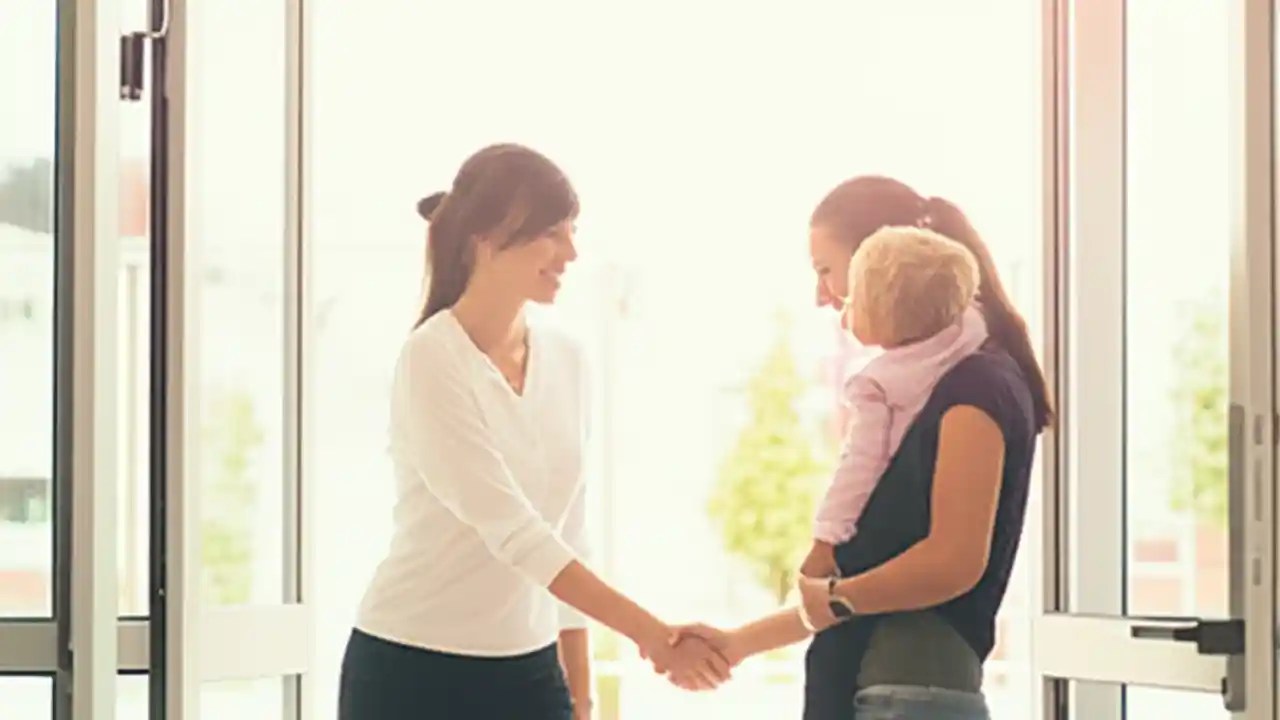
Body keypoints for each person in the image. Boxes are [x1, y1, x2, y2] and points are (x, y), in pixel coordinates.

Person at [337, 143, 729, 720]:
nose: (571, 251)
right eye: (553, 232)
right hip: (413, 668)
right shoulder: (432, 358)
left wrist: (582, 695)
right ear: (487, 237)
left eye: (572, 230)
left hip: (529, 670)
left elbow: (567, 531)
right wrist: (653, 636)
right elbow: (515, 532)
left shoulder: (567, 360)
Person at [672, 175, 1052, 720]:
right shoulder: (924, 393)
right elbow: (862, 582)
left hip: (906, 691)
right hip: (889, 686)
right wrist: (737, 644)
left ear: (884, 257)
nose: (821, 295)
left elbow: (951, 563)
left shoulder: (978, 388)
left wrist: (837, 598)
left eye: (826, 270)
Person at [803, 224, 989, 580]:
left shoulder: (876, 387)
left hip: (885, 532)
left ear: (882, 314)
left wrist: (825, 540)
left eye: (855, 299)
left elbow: (859, 464)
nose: (844, 305)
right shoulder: (964, 345)